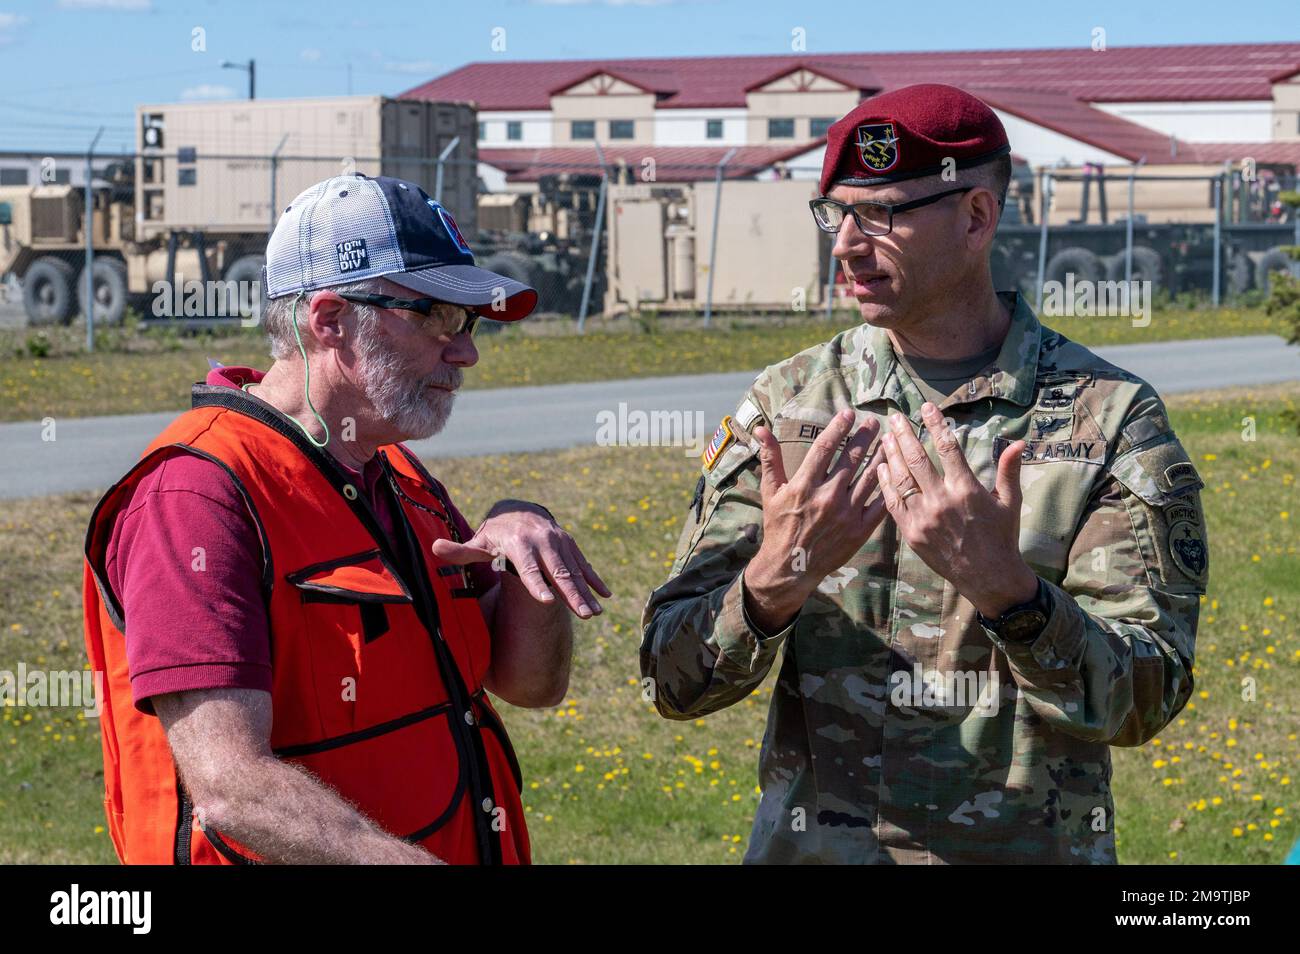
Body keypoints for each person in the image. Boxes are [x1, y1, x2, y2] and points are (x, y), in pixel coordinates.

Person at [640, 84, 1208, 864]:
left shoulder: (1104, 419)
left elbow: (1146, 699)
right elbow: (670, 681)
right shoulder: (790, 405)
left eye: (881, 214)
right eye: (835, 213)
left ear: (976, 217)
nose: (844, 243)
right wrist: (773, 580)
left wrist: (1011, 594)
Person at [84, 174, 610, 865]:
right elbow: (230, 786)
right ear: (329, 320)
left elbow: (532, 684)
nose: (466, 352)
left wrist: (524, 551)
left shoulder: (401, 478)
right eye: (435, 316)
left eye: (468, 321)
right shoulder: (195, 496)